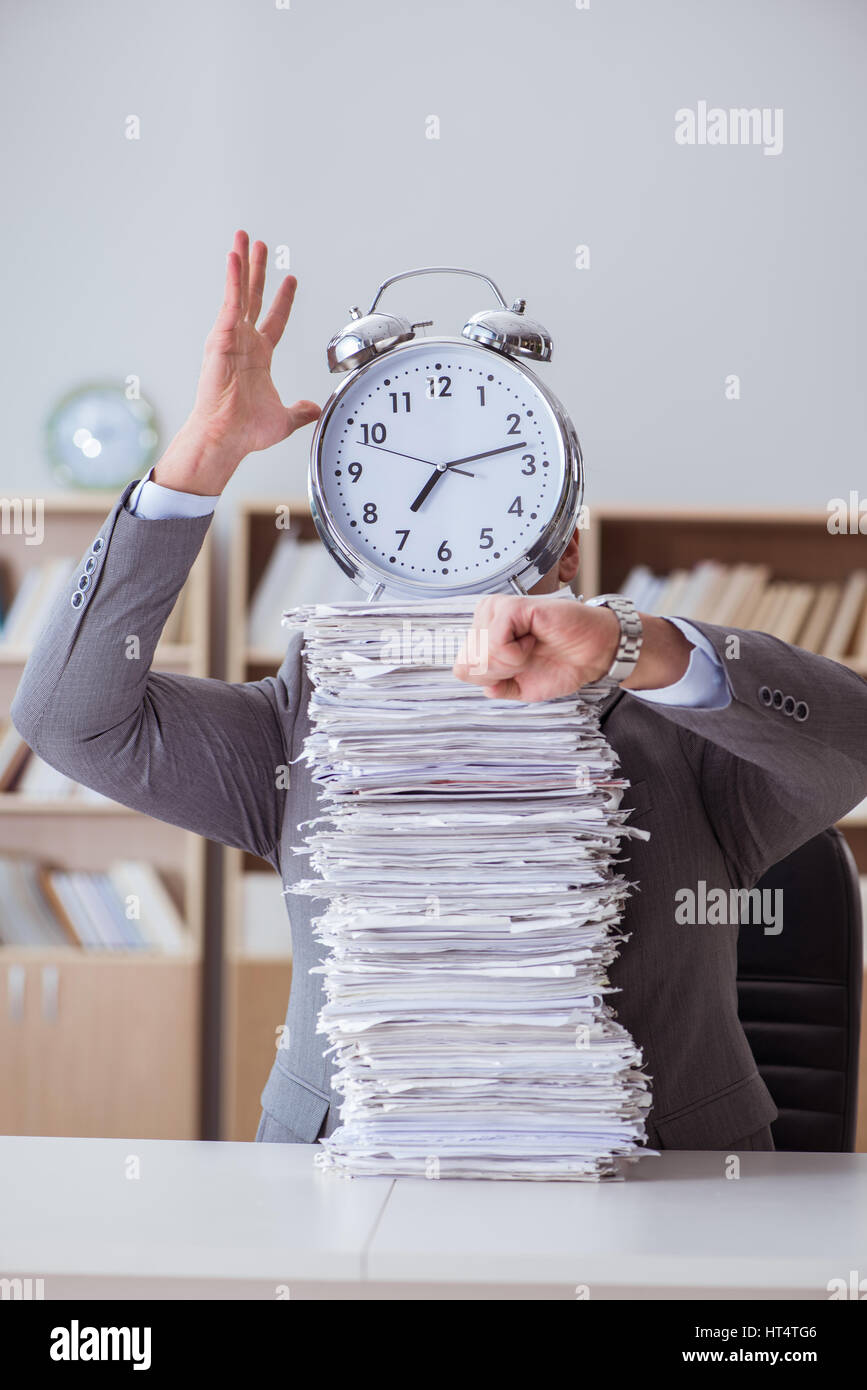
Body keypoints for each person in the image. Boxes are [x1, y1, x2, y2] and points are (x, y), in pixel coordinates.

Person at [12, 232, 867, 1151]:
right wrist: (201, 458)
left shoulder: (690, 729)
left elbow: (851, 741)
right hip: (351, 1194)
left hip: (658, 1197)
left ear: (564, 544)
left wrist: (635, 647)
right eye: (401, 494)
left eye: (492, 497)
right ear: (353, 537)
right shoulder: (296, 732)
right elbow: (69, 718)